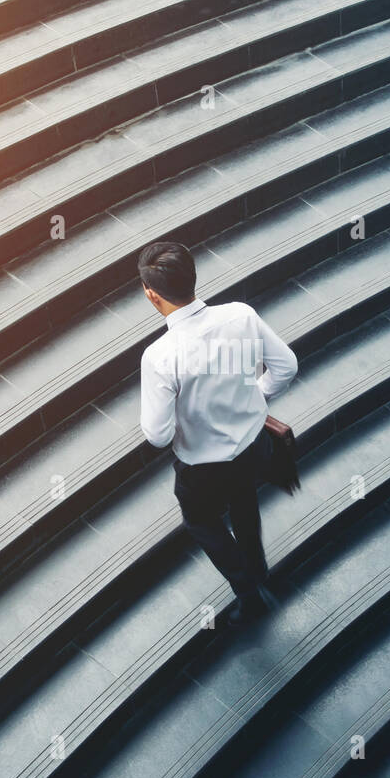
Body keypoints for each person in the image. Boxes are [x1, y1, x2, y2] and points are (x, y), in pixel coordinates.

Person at [137, 241, 298, 626]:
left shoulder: (160, 356)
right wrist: (254, 395)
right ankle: (258, 567)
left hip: (203, 468)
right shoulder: (239, 315)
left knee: (201, 522)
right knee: (244, 501)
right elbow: (286, 367)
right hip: (253, 447)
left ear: (152, 296)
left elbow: (157, 435)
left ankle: (247, 591)